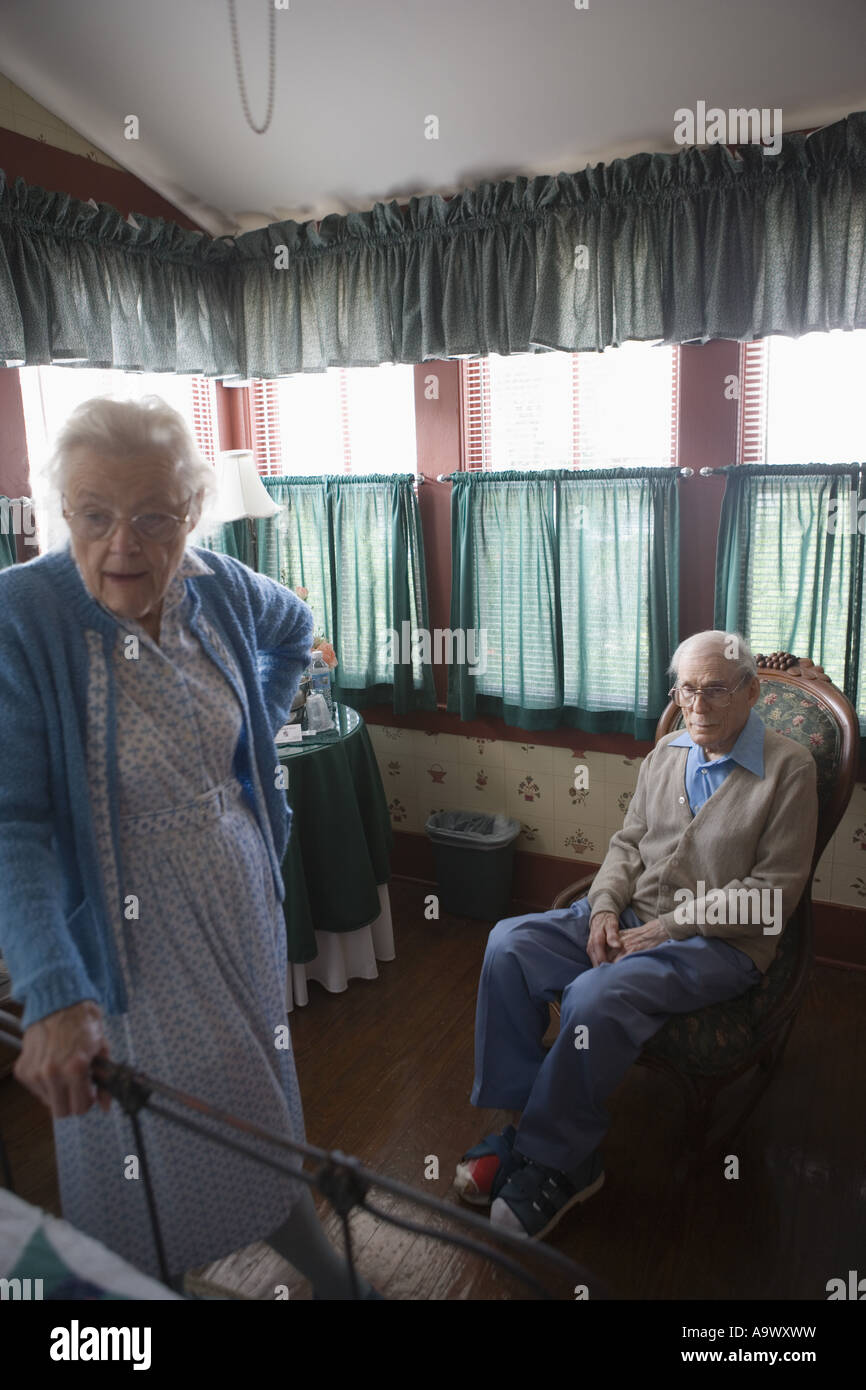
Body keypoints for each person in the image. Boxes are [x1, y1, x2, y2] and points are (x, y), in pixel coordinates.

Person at [0, 395, 378, 1297]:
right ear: (65, 513)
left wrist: (258, 721)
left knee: (252, 1108)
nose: (121, 544)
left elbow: (297, 625)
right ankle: (129, 1304)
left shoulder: (217, 584)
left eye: (153, 518)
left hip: (241, 893)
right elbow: (13, 828)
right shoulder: (22, 617)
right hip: (131, 934)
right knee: (153, 1131)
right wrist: (54, 992)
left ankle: (319, 1274)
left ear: (189, 518)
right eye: (93, 515)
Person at [456, 631, 819, 1240]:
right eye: (685, 690)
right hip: (629, 920)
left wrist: (671, 926)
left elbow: (772, 894)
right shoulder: (667, 753)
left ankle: (562, 1161)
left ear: (752, 693)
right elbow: (627, 845)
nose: (696, 706)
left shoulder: (790, 771)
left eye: (715, 691)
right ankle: (526, 1126)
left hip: (720, 946)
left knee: (595, 998)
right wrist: (602, 910)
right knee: (509, 944)